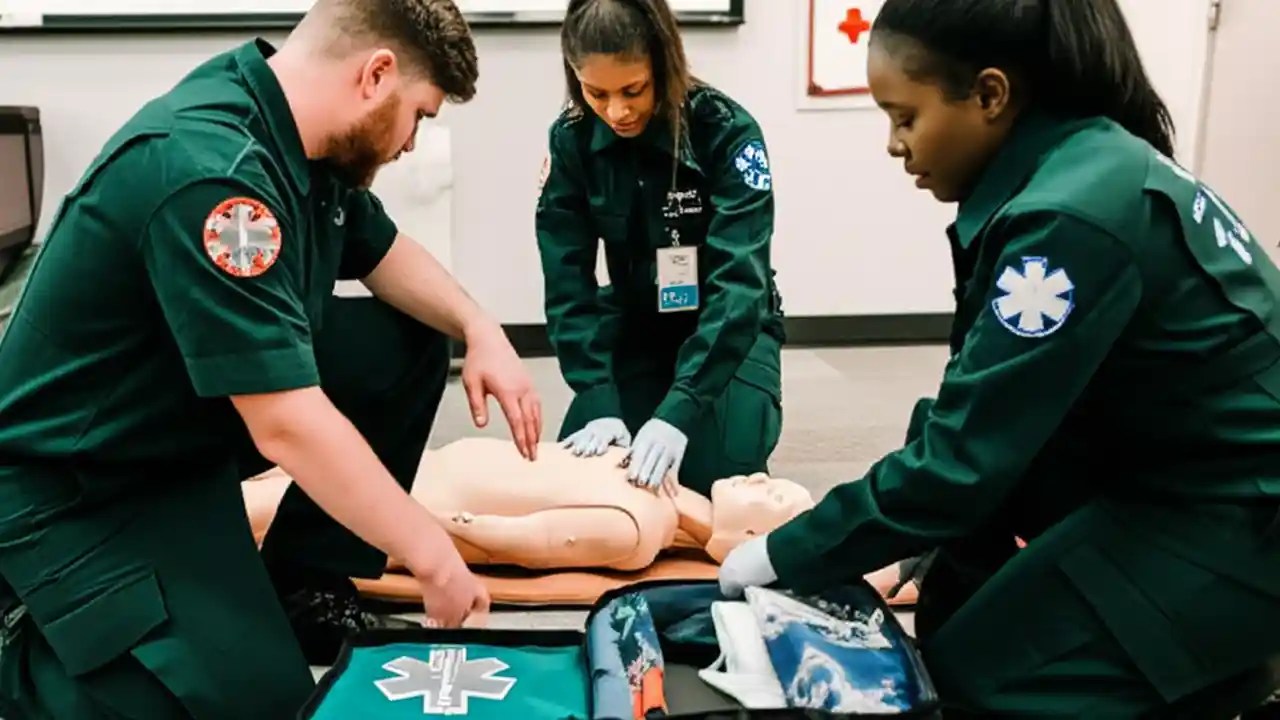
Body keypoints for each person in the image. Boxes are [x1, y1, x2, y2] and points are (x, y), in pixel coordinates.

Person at [718, 0, 1280, 716]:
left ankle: (1227, 679)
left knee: (982, 679)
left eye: (905, 117)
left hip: (1237, 515)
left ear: (989, 95)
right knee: (956, 609)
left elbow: (962, 460)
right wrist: (922, 535)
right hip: (1180, 477)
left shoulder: (1068, 215)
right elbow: (990, 406)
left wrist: (784, 552)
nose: (894, 145)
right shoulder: (1081, 165)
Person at [0, 0, 544, 717]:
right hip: (73, 488)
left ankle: (305, 585)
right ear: (376, 75)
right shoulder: (213, 175)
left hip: (175, 434)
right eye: (419, 115)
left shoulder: (302, 133)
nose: (413, 141)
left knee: (410, 337)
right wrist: (429, 551)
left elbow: (383, 253)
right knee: (260, 705)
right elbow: (285, 423)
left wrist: (481, 328)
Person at [535, 0, 786, 495]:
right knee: (585, 484)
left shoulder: (727, 133)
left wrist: (680, 409)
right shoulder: (571, 140)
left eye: (633, 90)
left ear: (664, 64)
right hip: (636, 323)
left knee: (713, 482)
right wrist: (598, 397)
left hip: (726, 327)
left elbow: (739, 285)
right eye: (596, 93)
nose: (617, 111)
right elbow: (567, 283)